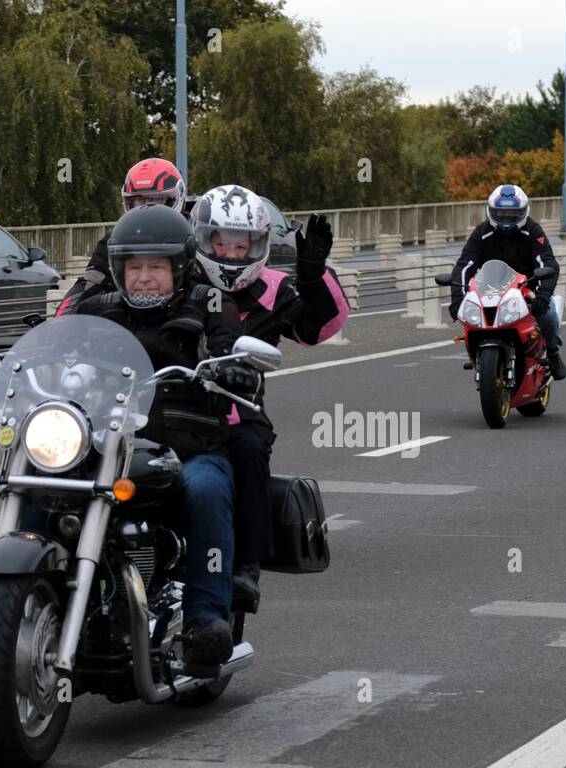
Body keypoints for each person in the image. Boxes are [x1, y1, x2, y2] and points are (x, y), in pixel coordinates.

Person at [77, 204, 256, 668]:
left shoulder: (211, 302)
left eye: (154, 267)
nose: (143, 277)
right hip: (107, 446)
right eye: (134, 267)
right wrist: (11, 368)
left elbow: (228, 347)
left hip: (187, 446)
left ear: (177, 267)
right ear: (118, 268)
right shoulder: (96, 308)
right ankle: (19, 596)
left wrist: (236, 368)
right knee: (44, 480)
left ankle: (205, 618)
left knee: (208, 486)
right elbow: (59, 346)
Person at [188, 184, 349, 609]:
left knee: (249, 452)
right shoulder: (179, 279)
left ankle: (245, 566)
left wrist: (314, 275)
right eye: (220, 242)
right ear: (202, 238)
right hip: (171, 406)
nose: (231, 252)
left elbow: (320, 329)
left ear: (258, 244)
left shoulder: (275, 288)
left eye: (242, 244)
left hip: (239, 412)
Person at [449, 184, 566, 379]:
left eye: (512, 213)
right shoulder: (481, 233)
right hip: (490, 289)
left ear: (524, 212)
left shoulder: (533, 231)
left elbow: (548, 263)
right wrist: (457, 298)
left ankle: (553, 352)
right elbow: (464, 265)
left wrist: (543, 296)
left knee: (549, 316)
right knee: (471, 319)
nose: (506, 218)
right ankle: (478, 354)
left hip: (529, 288)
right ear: (491, 211)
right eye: (501, 212)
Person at [55, 158, 187, 316]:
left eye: (155, 199)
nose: (147, 207)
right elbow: (90, 283)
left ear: (176, 198)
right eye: (139, 200)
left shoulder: (194, 233)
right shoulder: (116, 239)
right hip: (131, 326)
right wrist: (61, 323)